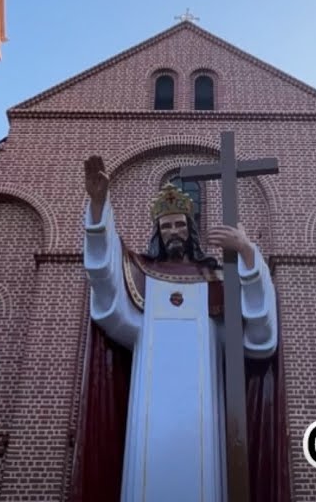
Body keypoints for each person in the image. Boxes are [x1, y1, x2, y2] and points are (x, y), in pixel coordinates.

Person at [77, 154, 278, 502]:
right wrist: (98, 210)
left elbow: (257, 335)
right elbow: (105, 279)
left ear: (192, 228)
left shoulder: (217, 279)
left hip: (207, 416)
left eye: (180, 224)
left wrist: (246, 252)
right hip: (147, 411)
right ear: (157, 231)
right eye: (166, 226)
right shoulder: (142, 275)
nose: (173, 231)